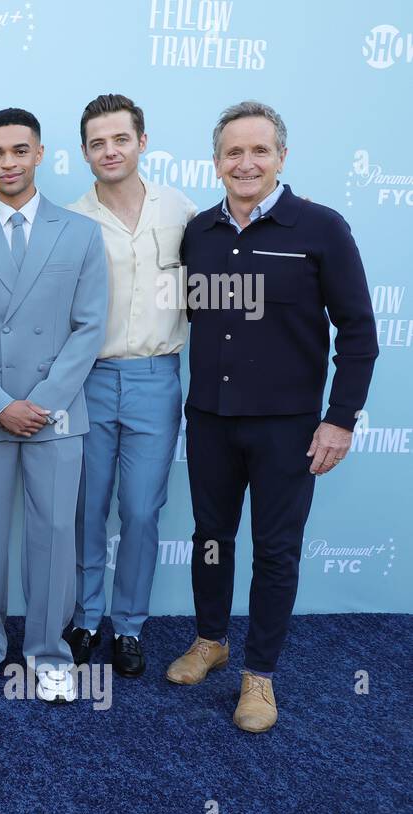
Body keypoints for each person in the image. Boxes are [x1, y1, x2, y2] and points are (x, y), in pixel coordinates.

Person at [169, 101, 378, 732]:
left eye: (260, 150)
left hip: (288, 425)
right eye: (233, 152)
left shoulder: (320, 228)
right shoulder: (198, 233)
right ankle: (211, 640)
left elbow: (360, 331)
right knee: (210, 538)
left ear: (282, 157)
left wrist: (340, 418)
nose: (246, 162)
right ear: (216, 162)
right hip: (209, 417)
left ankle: (258, 675)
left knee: (276, 551)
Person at [0, 108, 108, 703]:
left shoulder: (81, 233)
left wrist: (40, 401)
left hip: (56, 414)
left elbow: (89, 328)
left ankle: (49, 653)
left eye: (18, 150)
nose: (7, 162)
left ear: (39, 154)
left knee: (56, 534)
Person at [64, 94, 198, 678]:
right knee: (87, 508)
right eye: (97, 142)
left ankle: (130, 627)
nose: (110, 150)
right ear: (85, 151)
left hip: (156, 378)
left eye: (120, 139)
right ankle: (86, 617)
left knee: (142, 510)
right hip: (88, 379)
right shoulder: (71, 220)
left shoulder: (183, 211)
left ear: (142, 142)